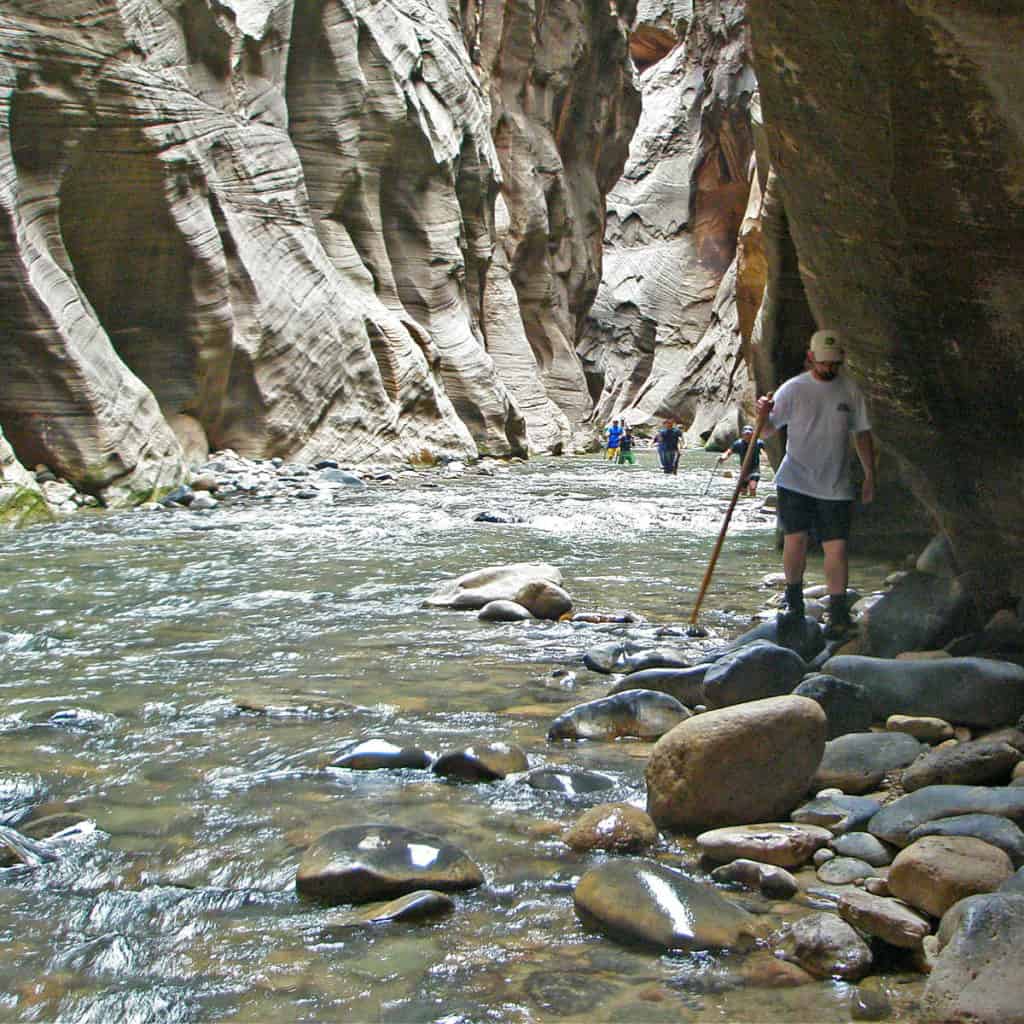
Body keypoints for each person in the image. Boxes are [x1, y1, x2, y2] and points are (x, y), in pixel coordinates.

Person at [755, 328, 876, 639]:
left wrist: (869, 474)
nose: (829, 368)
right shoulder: (793, 390)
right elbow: (766, 432)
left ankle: (837, 612)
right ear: (811, 358)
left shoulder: (850, 391)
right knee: (795, 540)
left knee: (837, 547)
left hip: (836, 483)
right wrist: (762, 415)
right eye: (823, 363)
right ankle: (793, 601)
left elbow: (862, 434)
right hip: (795, 479)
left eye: (834, 363)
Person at [717, 425, 766, 496]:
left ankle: (753, 501)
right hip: (744, 471)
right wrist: (723, 457)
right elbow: (729, 452)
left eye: (749, 434)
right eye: (746, 434)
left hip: (755, 470)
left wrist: (766, 460)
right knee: (743, 491)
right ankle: (744, 503)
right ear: (743, 434)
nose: (747, 436)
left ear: (753, 434)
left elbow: (765, 453)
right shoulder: (738, 443)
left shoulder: (758, 443)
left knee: (752, 488)